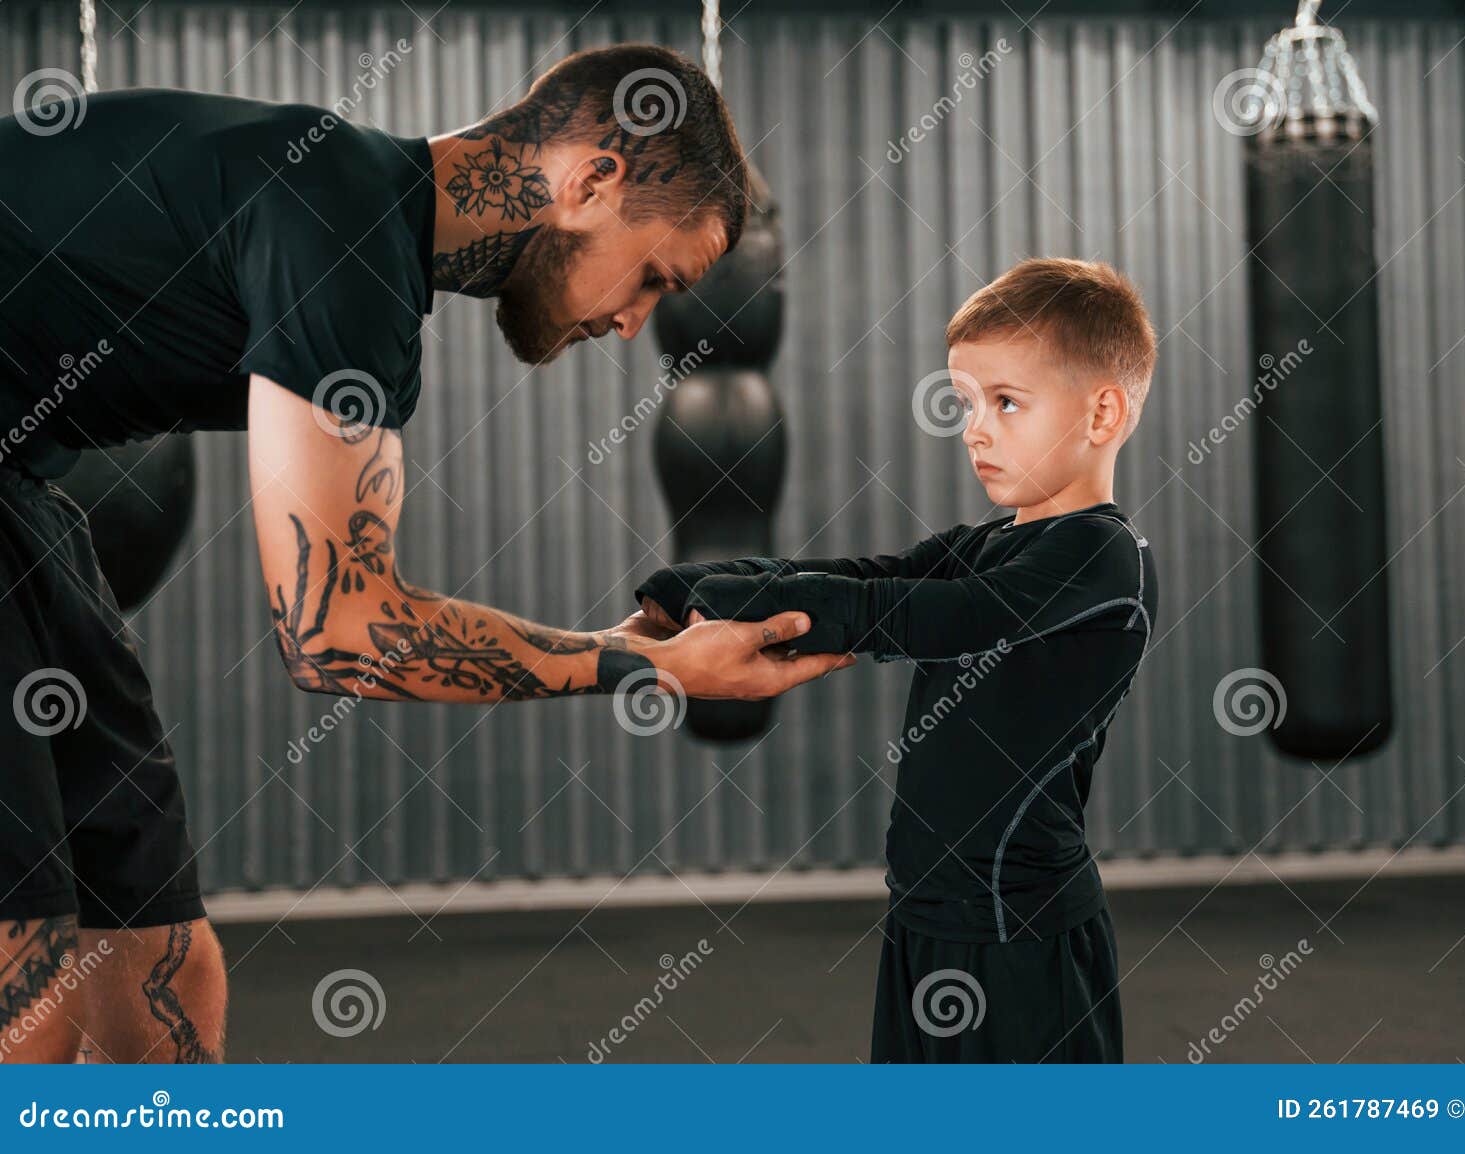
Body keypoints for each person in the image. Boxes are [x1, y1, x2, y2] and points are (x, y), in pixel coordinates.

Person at [0, 43, 851, 1064]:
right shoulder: (336, 217)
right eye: (654, 277)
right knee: (31, 1003)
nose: (633, 324)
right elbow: (338, 633)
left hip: (17, 493)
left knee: (163, 967)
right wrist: (654, 663)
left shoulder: (362, 233)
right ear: (591, 181)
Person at [634, 258, 1159, 1062]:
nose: (975, 428)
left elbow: (933, 615)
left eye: (1006, 403)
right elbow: (871, 576)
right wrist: (702, 582)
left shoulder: (1102, 557)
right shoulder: (991, 541)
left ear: (1102, 413)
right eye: (966, 403)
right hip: (926, 915)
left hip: (1019, 932)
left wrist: (725, 606)